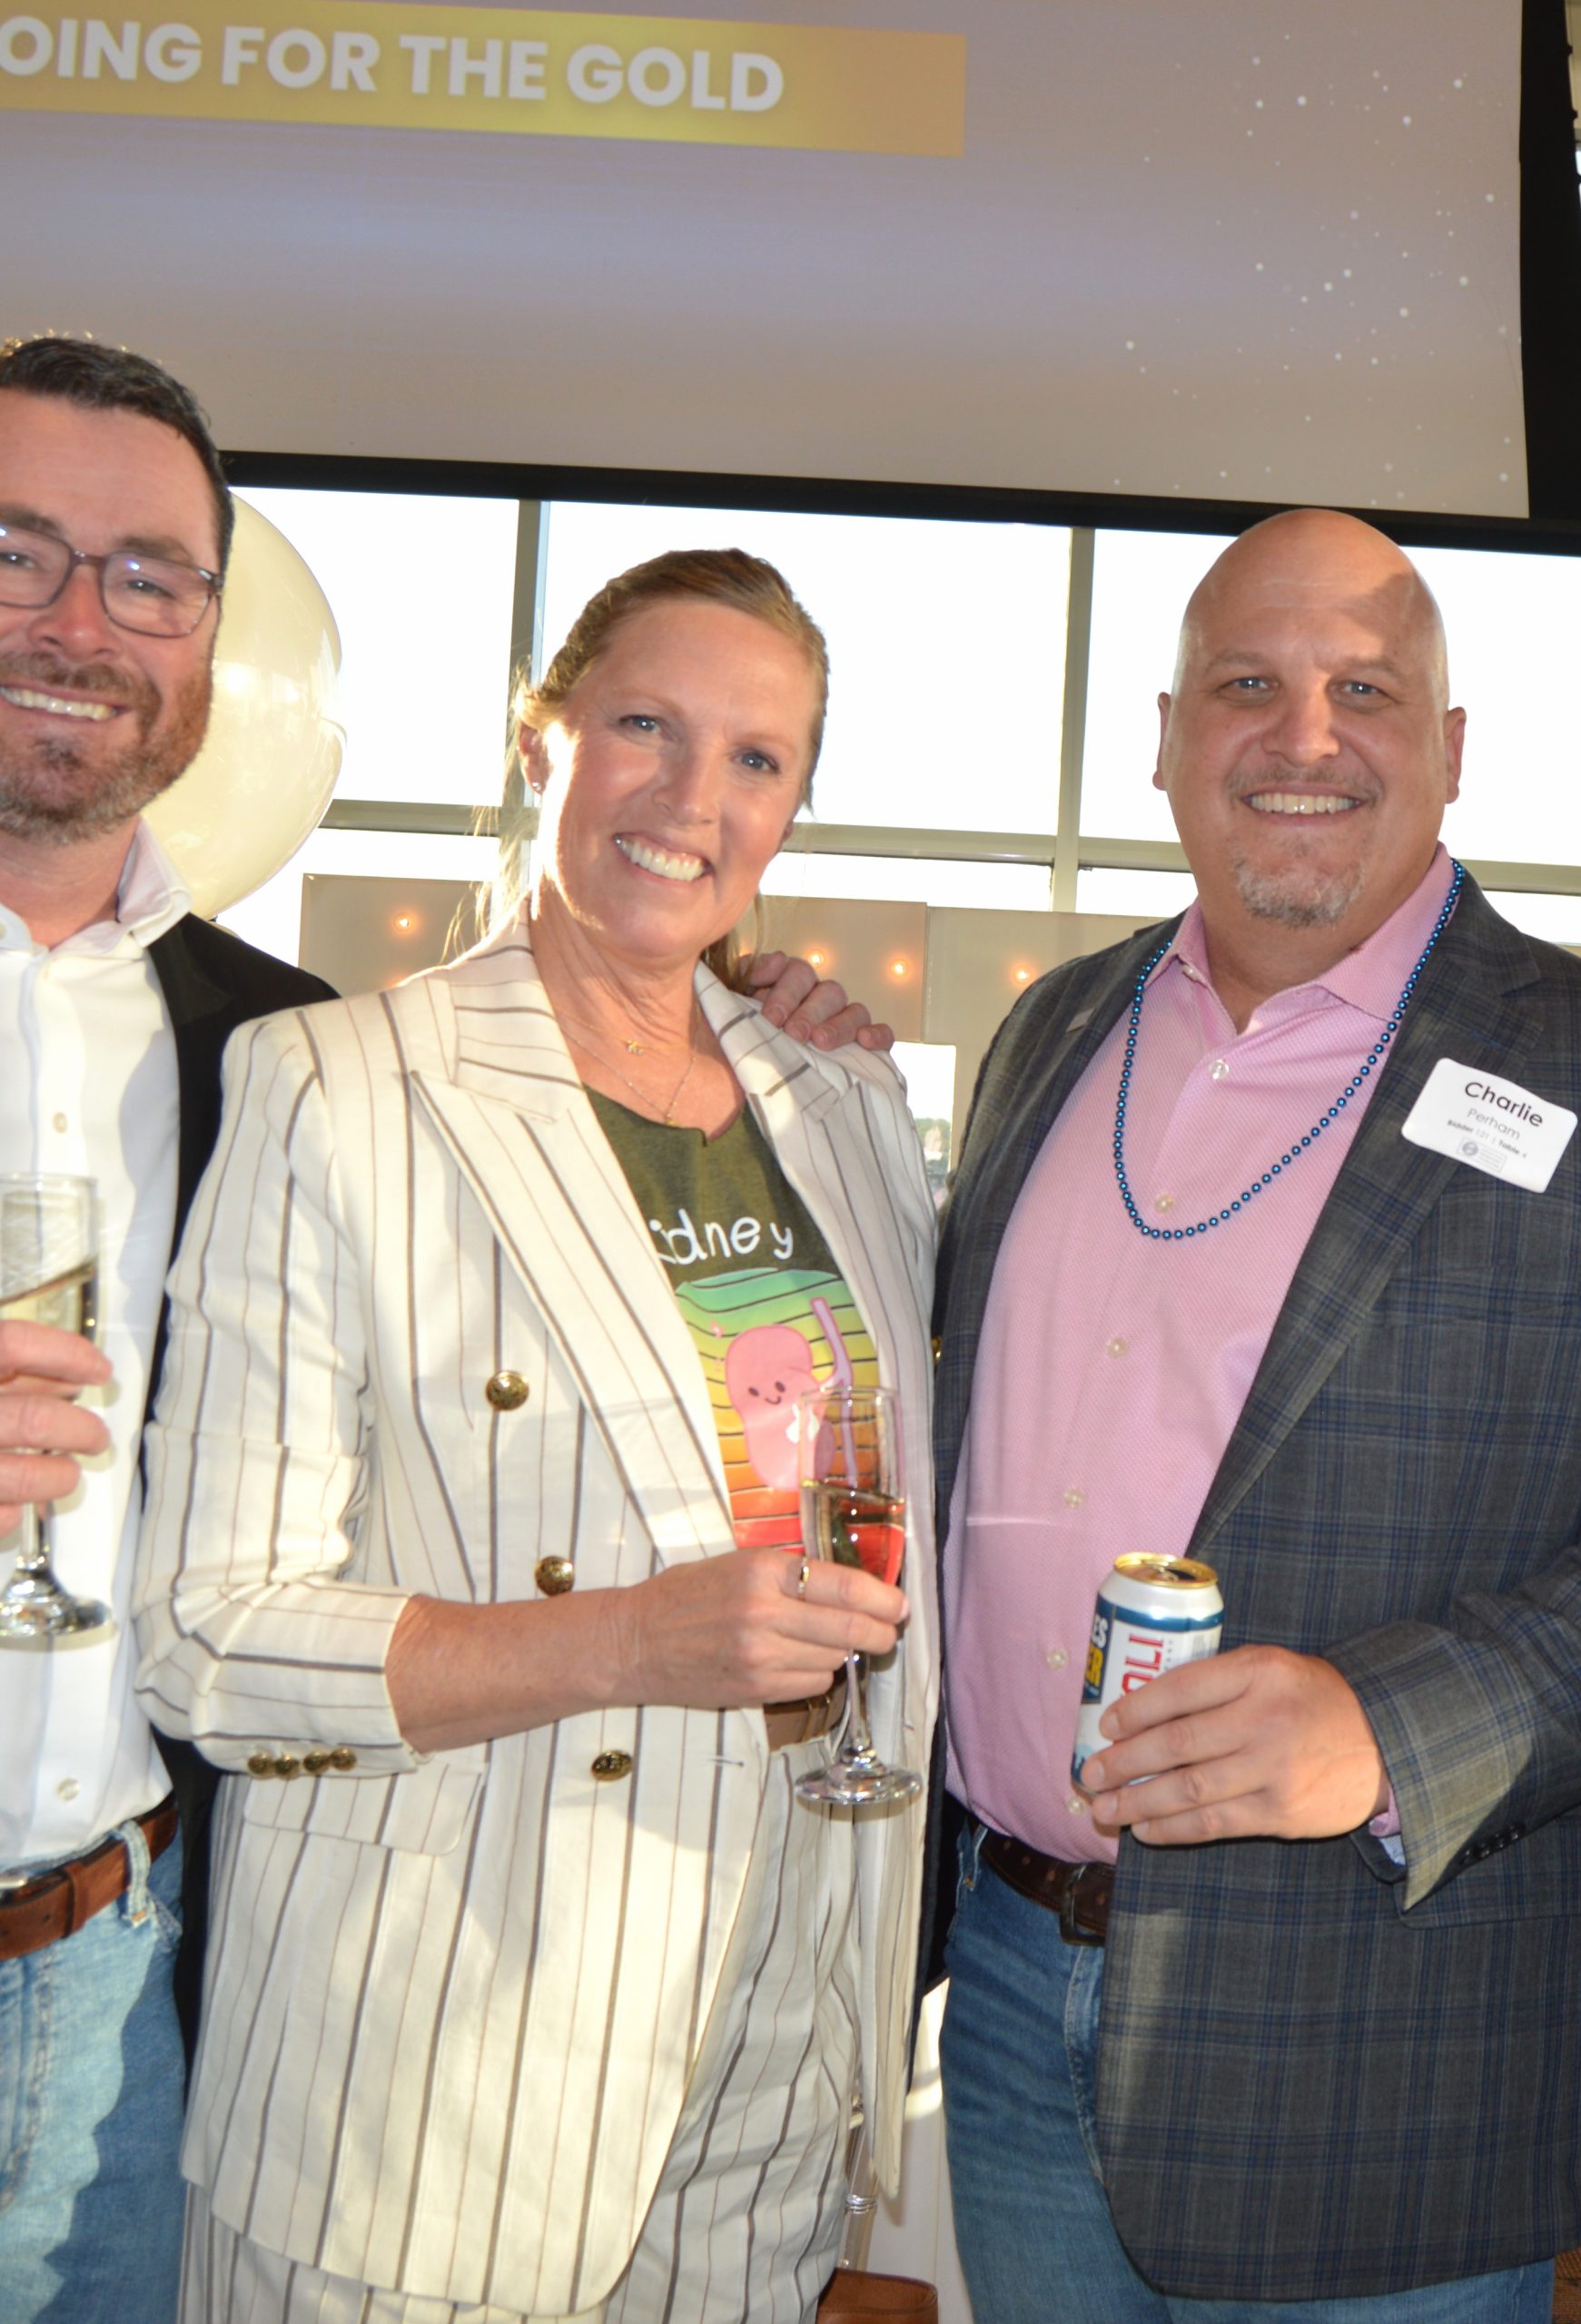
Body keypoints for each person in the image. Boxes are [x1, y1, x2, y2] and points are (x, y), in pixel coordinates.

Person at [931, 507, 1581, 2315]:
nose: (1302, 735)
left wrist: (1386, 1729)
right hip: (1007, 1982)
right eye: (1246, 684)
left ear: (1450, 750)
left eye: (1363, 690)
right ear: (1162, 741)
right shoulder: (1048, 1036)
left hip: (1381, 2033)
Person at [133, 546, 940, 2321]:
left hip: (766, 2060)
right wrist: (631, 1635)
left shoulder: (841, 1114)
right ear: (538, 736)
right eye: (643, 725)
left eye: (754, 758)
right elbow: (207, 1631)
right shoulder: (341, 1087)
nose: (689, 796)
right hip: (441, 2067)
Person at [0, 334, 333, 2319]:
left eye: (149, 576)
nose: (79, 620)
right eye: (16, 549)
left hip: (127, 2005)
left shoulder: (284, 1045)